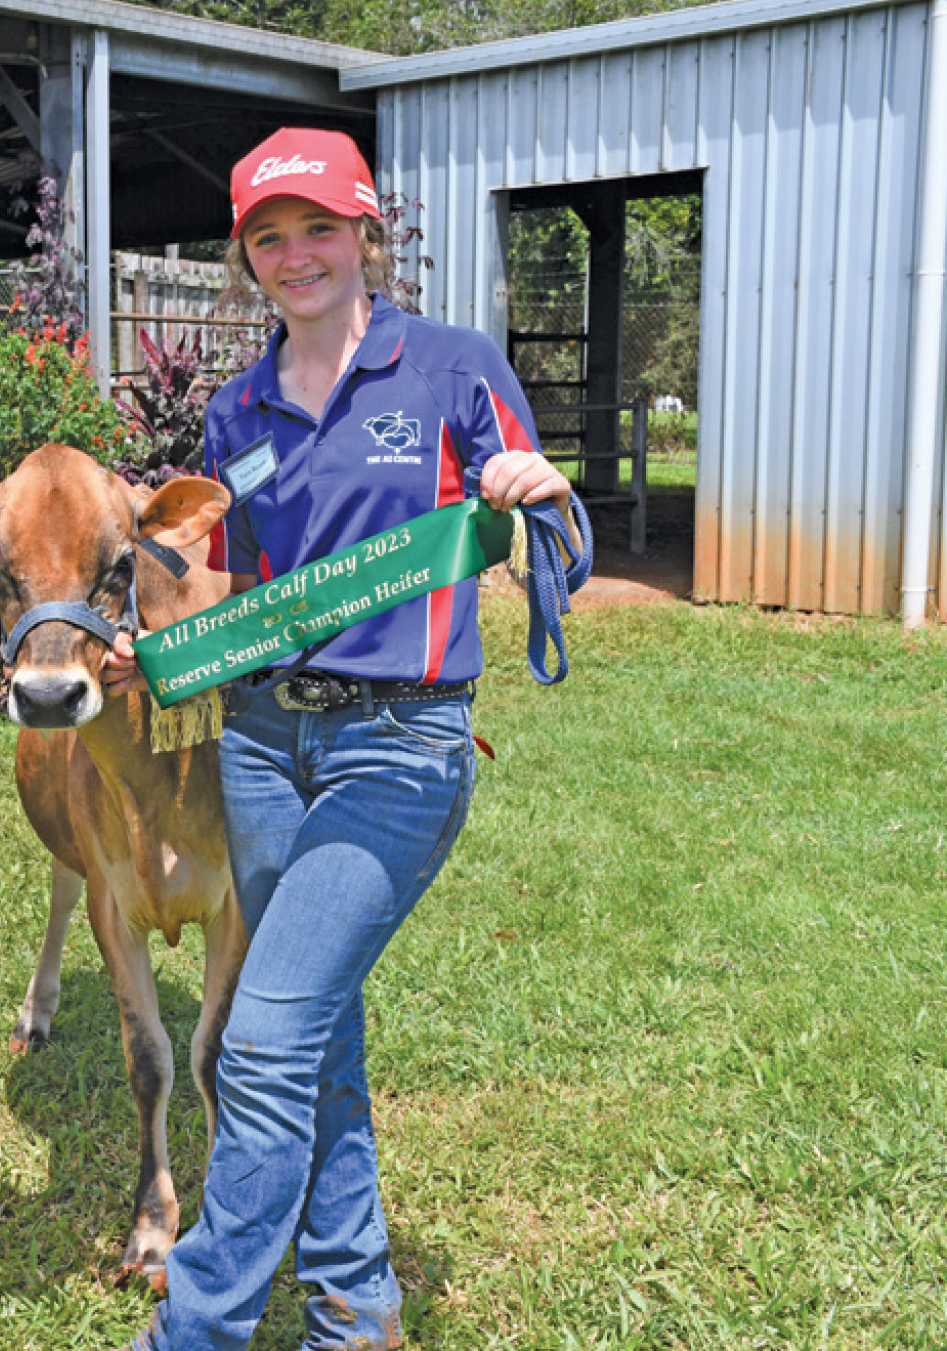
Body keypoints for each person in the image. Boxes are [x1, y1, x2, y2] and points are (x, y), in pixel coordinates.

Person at [100, 130, 573, 1350]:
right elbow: (236, 597)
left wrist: (533, 486)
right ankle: (357, 1306)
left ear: (364, 230)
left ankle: (192, 1327)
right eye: (269, 237)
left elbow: (538, 514)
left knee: (258, 1041)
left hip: (399, 752)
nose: (295, 255)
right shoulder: (233, 409)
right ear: (246, 259)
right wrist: (146, 651)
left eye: (317, 229)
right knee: (318, 1036)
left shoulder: (452, 370)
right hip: (260, 747)